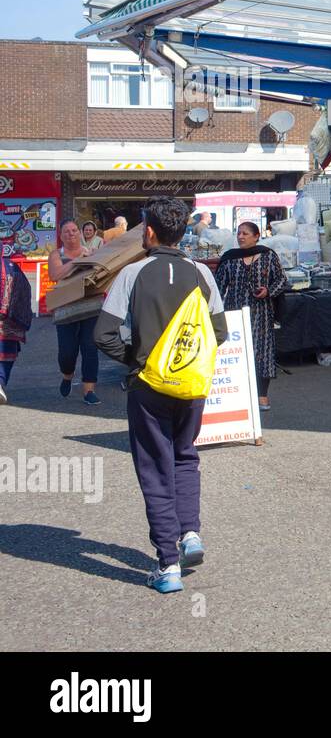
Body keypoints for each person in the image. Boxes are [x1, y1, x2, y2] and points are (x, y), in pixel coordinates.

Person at [94, 197, 227, 594]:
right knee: (185, 456)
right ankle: (190, 534)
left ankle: (167, 564)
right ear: (183, 232)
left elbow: (103, 334)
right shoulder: (202, 273)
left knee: (155, 467)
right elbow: (218, 332)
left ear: (148, 232)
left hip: (148, 386)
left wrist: (137, 362)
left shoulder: (132, 274)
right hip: (190, 386)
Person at [216, 221, 287, 412]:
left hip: (261, 313)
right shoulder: (230, 258)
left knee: (262, 354)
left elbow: (281, 280)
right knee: (238, 354)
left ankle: (262, 395)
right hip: (234, 311)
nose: (241, 237)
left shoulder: (267, 256)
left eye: (245, 234)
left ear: (256, 236)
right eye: (239, 233)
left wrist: (268, 291)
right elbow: (218, 287)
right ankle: (239, 394)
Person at [48, 220, 101, 405]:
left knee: (90, 349)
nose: (71, 234)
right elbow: (55, 274)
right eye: (66, 232)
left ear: (79, 233)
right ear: (61, 236)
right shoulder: (57, 254)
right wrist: (77, 261)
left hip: (91, 308)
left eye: (74, 230)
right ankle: (67, 375)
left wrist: (93, 260)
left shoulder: (92, 253)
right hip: (65, 312)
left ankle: (89, 390)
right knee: (67, 353)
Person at [0, 255, 33, 406]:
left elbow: (23, 290)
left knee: (6, 351)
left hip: (8, 322)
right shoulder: (11, 267)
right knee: (7, 352)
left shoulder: (12, 268)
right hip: (10, 322)